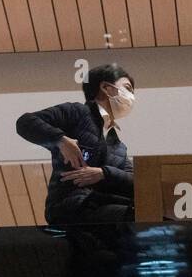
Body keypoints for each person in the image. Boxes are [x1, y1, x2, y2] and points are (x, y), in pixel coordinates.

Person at [15, 63, 137, 225]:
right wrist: (61, 140)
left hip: (100, 205)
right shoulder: (78, 112)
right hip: (71, 206)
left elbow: (134, 182)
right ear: (106, 88)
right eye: (128, 88)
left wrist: (104, 173)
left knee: (149, 215)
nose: (132, 96)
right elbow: (26, 122)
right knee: (138, 219)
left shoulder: (118, 147)